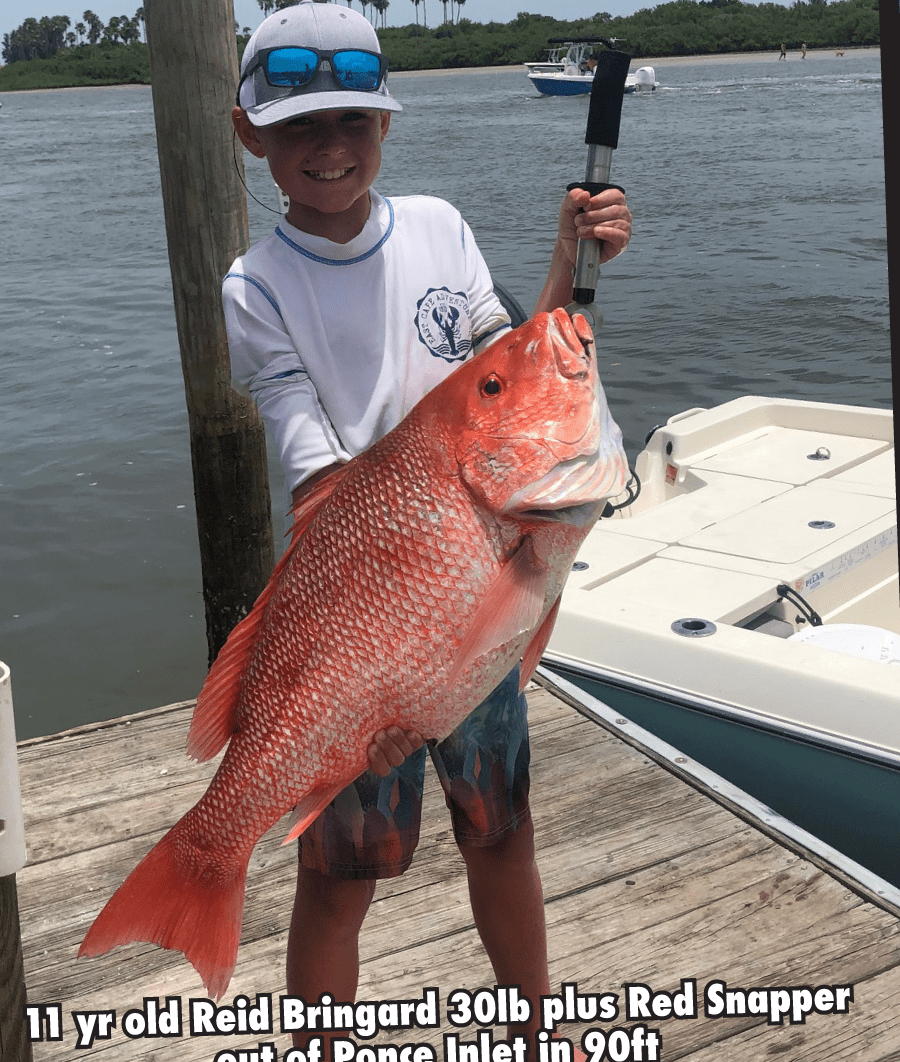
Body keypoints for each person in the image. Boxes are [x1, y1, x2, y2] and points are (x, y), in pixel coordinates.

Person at [224, 0, 631, 1052]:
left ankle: (534, 1031)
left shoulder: (441, 227)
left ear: (385, 125)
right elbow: (319, 480)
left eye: (352, 120)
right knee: (341, 882)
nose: (329, 146)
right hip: (372, 612)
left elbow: (510, 367)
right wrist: (384, 681)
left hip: (477, 590)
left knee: (503, 836)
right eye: (299, 126)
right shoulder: (257, 285)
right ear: (249, 135)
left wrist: (569, 257)